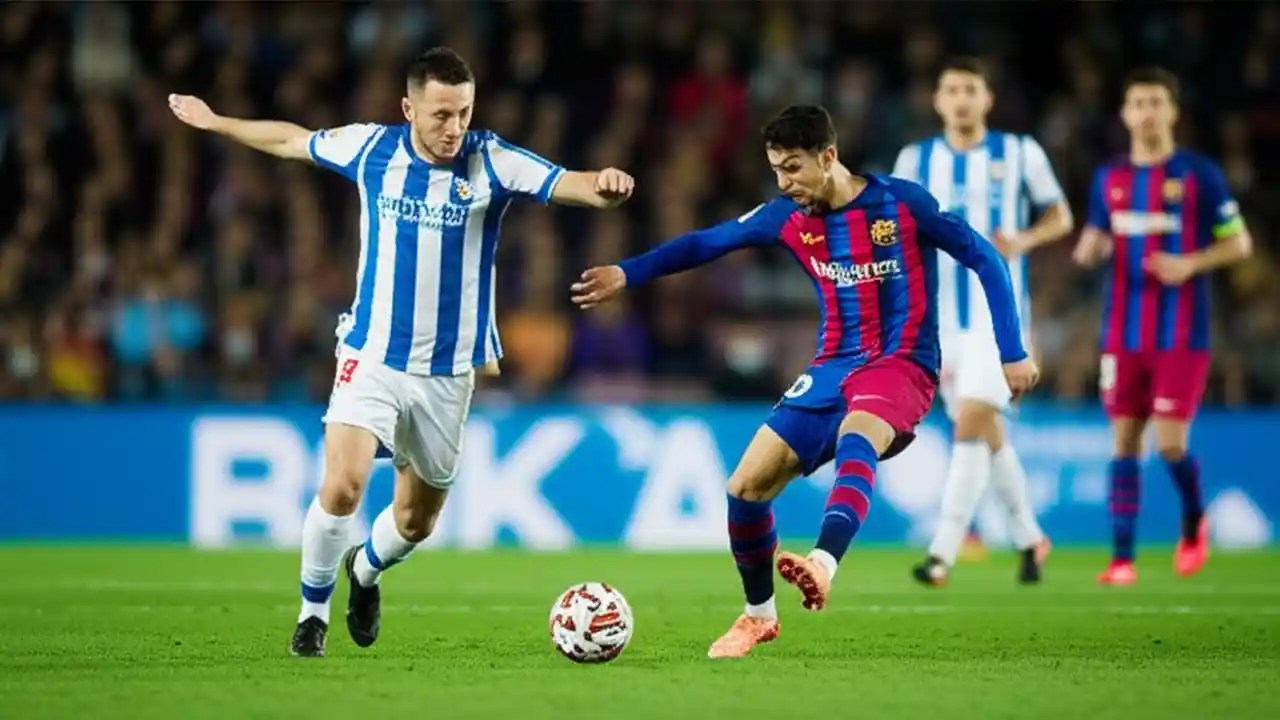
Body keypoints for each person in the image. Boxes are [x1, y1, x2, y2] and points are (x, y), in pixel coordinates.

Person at [170, 47, 635, 657]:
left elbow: (566, 183)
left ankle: (363, 572)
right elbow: (293, 141)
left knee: (416, 522)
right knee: (343, 485)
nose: (454, 128)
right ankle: (312, 617)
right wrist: (219, 123)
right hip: (373, 352)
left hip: (448, 372)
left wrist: (605, 187)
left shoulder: (488, 158)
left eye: (463, 113)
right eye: (441, 114)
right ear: (408, 108)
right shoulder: (371, 149)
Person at [571, 105, 1037, 659]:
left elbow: (984, 258)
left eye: (792, 168)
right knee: (744, 489)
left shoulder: (902, 204)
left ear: (829, 157)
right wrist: (628, 272)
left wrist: (1012, 352)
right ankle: (758, 618)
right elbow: (704, 243)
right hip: (832, 367)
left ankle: (822, 562)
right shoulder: (785, 217)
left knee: (857, 435)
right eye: (775, 170)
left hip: (902, 362)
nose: (784, 183)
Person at [892, 57, 1072, 587]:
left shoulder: (1019, 152)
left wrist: (1024, 241)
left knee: (971, 419)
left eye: (971, 88)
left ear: (987, 98)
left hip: (999, 319)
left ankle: (942, 551)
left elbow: (1060, 214)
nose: (962, 98)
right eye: (952, 89)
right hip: (937, 321)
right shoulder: (915, 158)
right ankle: (1030, 537)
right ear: (938, 100)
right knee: (985, 433)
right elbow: (890, 223)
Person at [1073, 67, 1253, 585]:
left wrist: (1190, 263)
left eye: (1157, 102)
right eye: (1138, 103)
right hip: (1122, 334)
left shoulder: (1199, 174)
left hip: (1182, 333)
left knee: (1171, 443)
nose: (1147, 111)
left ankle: (1195, 519)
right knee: (1124, 440)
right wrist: (1090, 249)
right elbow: (1097, 236)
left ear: (1173, 112)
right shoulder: (1110, 178)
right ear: (1126, 114)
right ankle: (1122, 558)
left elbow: (1239, 243)